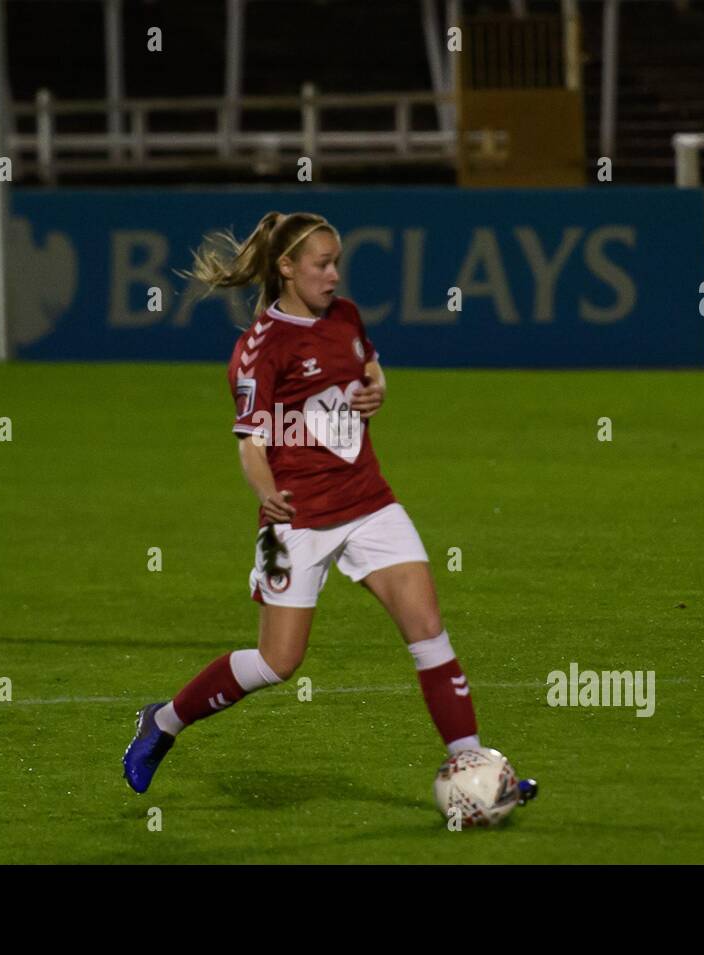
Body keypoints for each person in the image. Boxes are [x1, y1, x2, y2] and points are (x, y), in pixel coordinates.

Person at [122, 211, 537, 811]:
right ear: (286, 268)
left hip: (369, 503)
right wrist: (266, 492)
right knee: (277, 661)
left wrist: (377, 387)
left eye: (337, 261)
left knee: (427, 631)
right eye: (322, 264)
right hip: (298, 517)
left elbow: (367, 365)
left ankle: (473, 765)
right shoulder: (261, 347)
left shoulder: (344, 317)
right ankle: (162, 722)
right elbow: (250, 440)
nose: (334, 274)